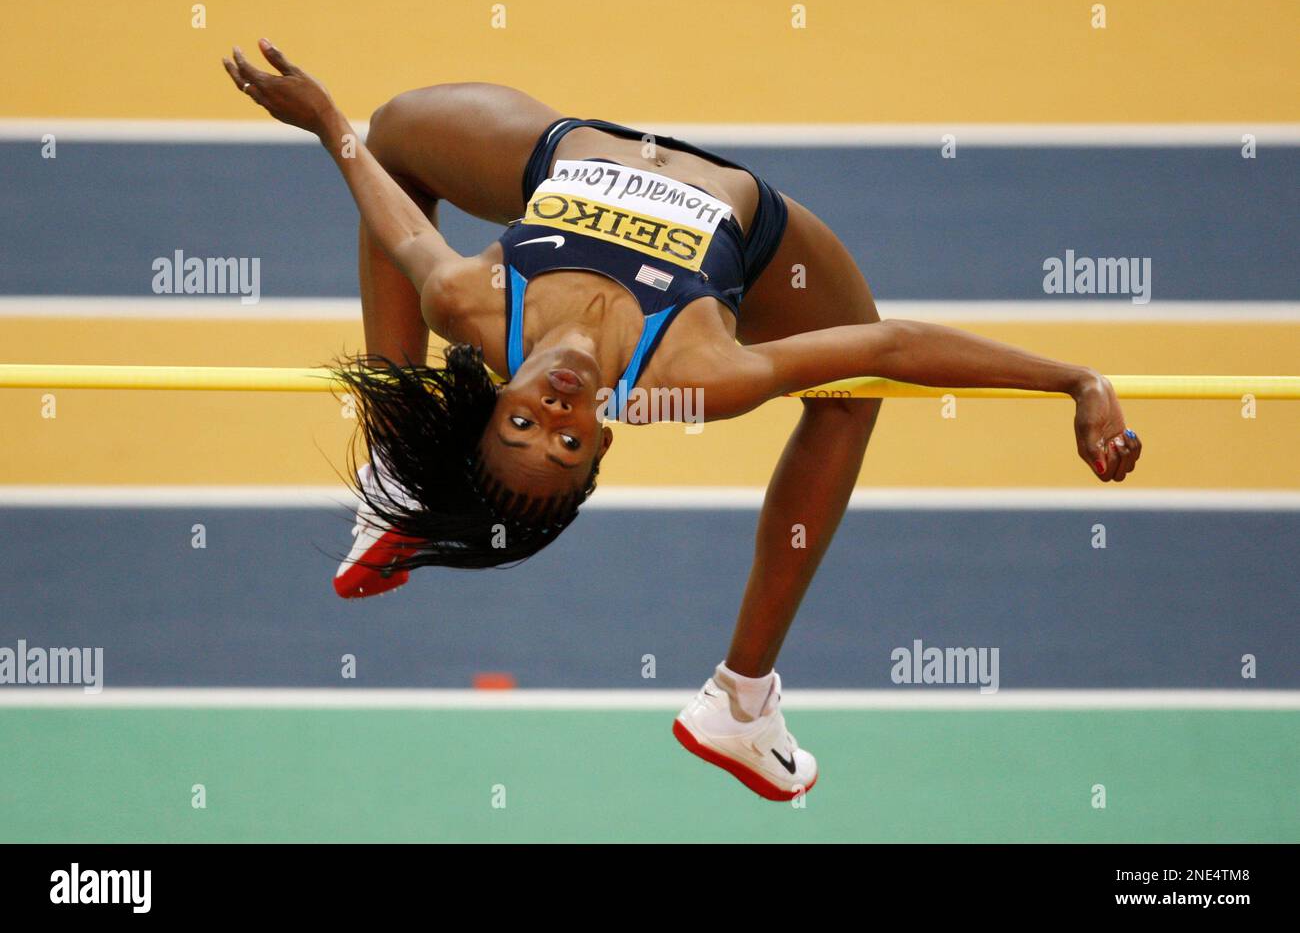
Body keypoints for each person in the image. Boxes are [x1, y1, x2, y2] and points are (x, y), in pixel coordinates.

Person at [222, 39, 1142, 800]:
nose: (554, 414)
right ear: (604, 444)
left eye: (521, 428)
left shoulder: (472, 302)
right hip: (758, 233)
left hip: (567, 149)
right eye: (571, 443)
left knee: (391, 136)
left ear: (493, 400)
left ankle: (394, 475)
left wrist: (325, 121)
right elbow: (890, 346)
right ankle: (741, 701)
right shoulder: (697, 371)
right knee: (850, 389)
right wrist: (1076, 380)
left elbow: (393, 215)